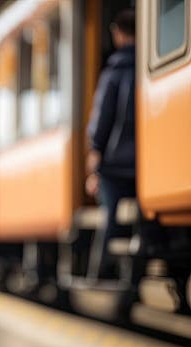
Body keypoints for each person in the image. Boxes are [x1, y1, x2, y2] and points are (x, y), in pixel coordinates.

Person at [85, 8, 136, 280]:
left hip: (115, 165)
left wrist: (94, 162)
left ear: (118, 33)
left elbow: (101, 121)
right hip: (144, 165)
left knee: (110, 217)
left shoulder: (114, 71)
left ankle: (101, 274)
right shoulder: (144, 70)